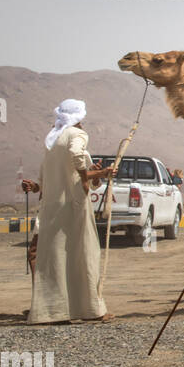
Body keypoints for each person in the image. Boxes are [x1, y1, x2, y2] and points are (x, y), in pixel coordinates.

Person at [22, 99, 116, 324]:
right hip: (73, 207)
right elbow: (77, 162)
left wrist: (95, 174)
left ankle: (55, 311)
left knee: (55, 257)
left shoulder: (52, 140)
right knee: (85, 254)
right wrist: (93, 174)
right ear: (79, 118)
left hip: (52, 209)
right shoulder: (77, 136)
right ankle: (92, 310)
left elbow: (48, 179)